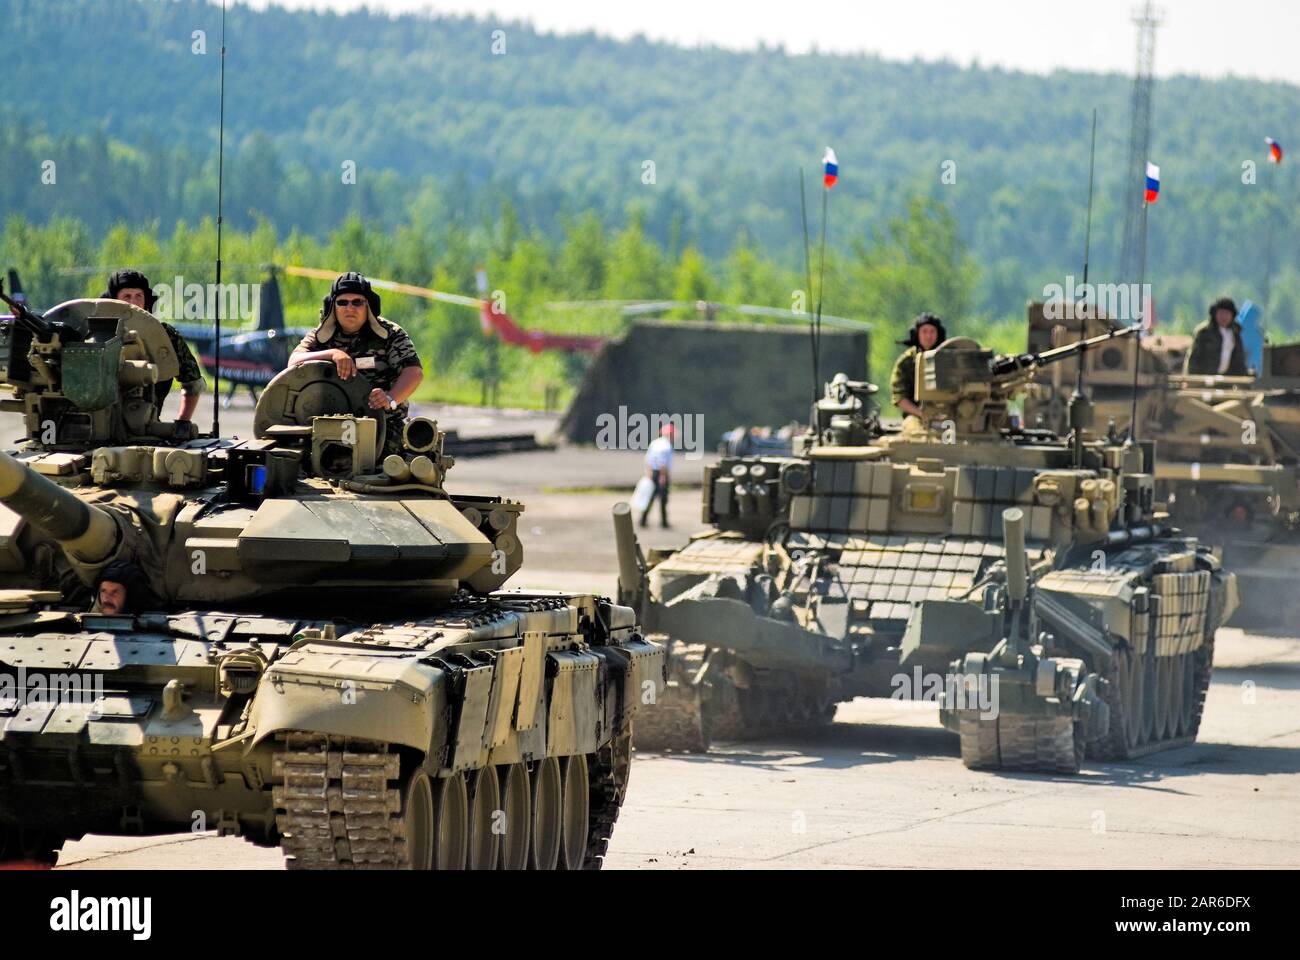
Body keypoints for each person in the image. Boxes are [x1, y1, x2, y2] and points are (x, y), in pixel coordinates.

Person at [289, 272, 423, 457]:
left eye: (357, 302)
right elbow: (293, 362)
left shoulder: (390, 334)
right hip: (325, 426)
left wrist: (390, 399)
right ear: (332, 306)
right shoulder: (321, 336)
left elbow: (414, 372)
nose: (349, 307)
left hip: (382, 424)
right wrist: (333, 354)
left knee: (386, 463)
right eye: (342, 302)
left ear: (368, 305)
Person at [104, 269, 206, 426]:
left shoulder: (164, 336)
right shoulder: (97, 334)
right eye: (127, 297)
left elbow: (193, 383)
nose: (133, 303)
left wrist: (183, 423)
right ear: (113, 301)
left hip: (147, 430)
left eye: (139, 296)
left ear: (146, 301)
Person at [890, 312, 947, 419]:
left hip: (949, 416)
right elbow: (899, 397)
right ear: (917, 334)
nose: (928, 336)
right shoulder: (906, 362)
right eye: (924, 331)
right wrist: (922, 414)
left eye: (932, 331)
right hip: (916, 417)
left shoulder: (949, 358)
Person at [1185, 297, 1248, 377]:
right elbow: (1193, 358)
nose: (1224, 317)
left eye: (1227, 314)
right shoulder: (1204, 332)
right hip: (1204, 378)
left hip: (1226, 379)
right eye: (1221, 313)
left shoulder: (1235, 333)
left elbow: (1239, 360)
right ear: (1214, 314)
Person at [640, 424, 674, 529]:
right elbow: (662, 462)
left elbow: (647, 459)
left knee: (650, 497)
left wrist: (649, 473)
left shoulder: (654, 443)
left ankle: (643, 520)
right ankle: (664, 522)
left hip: (652, 472)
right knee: (663, 499)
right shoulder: (667, 445)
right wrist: (663, 476)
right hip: (661, 474)